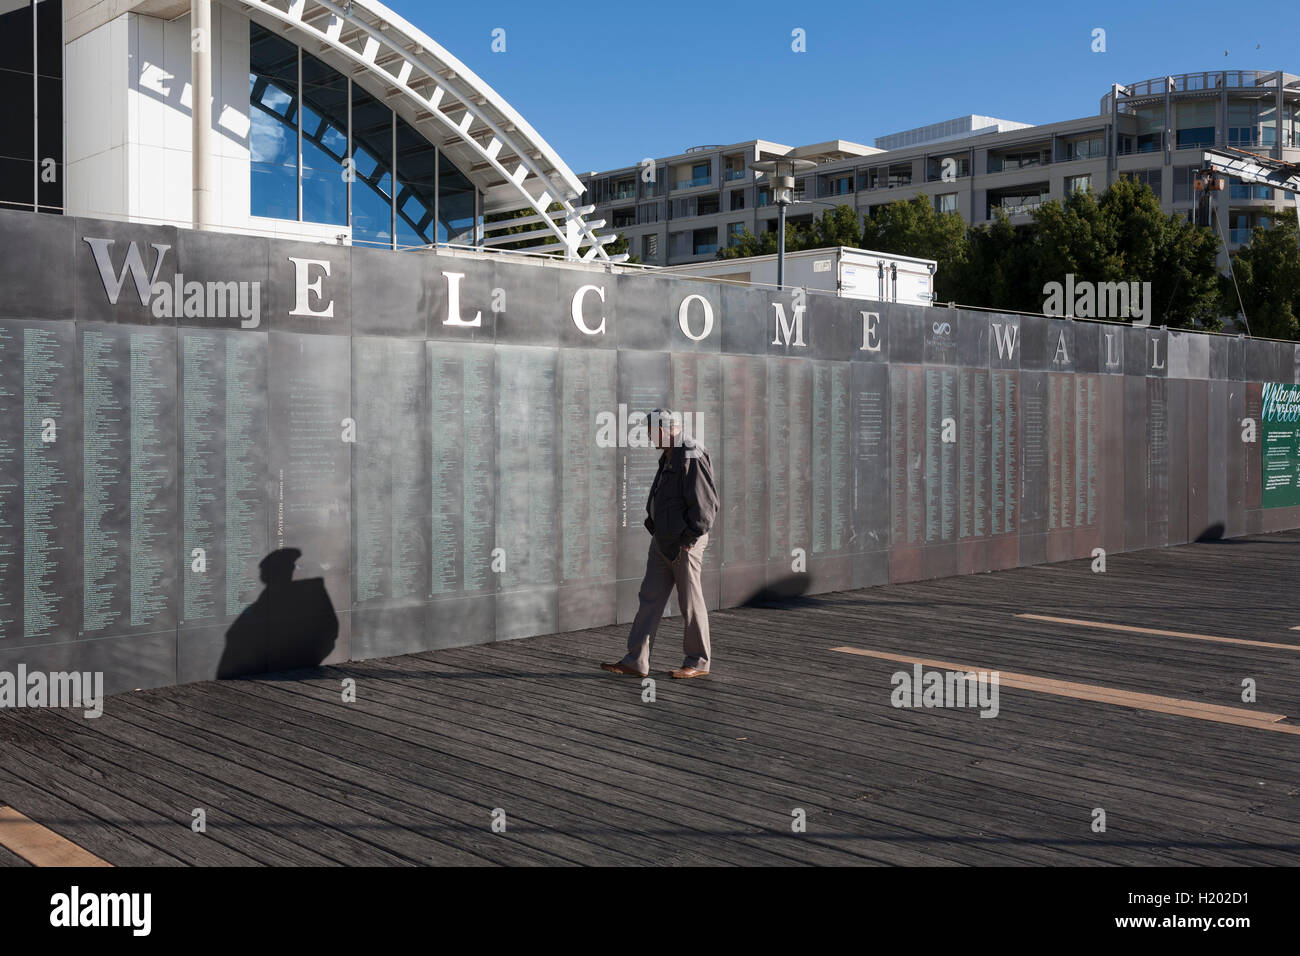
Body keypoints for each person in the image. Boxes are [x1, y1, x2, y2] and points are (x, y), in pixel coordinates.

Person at [602, 409, 719, 679]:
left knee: (690, 603)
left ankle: (698, 662)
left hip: (683, 544)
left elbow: (706, 505)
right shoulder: (669, 454)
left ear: (666, 429)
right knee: (649, 599)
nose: (647, 436)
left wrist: (689, 540)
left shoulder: (691, 452)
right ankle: (635, 661)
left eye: (651, 430)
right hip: (663, 542)